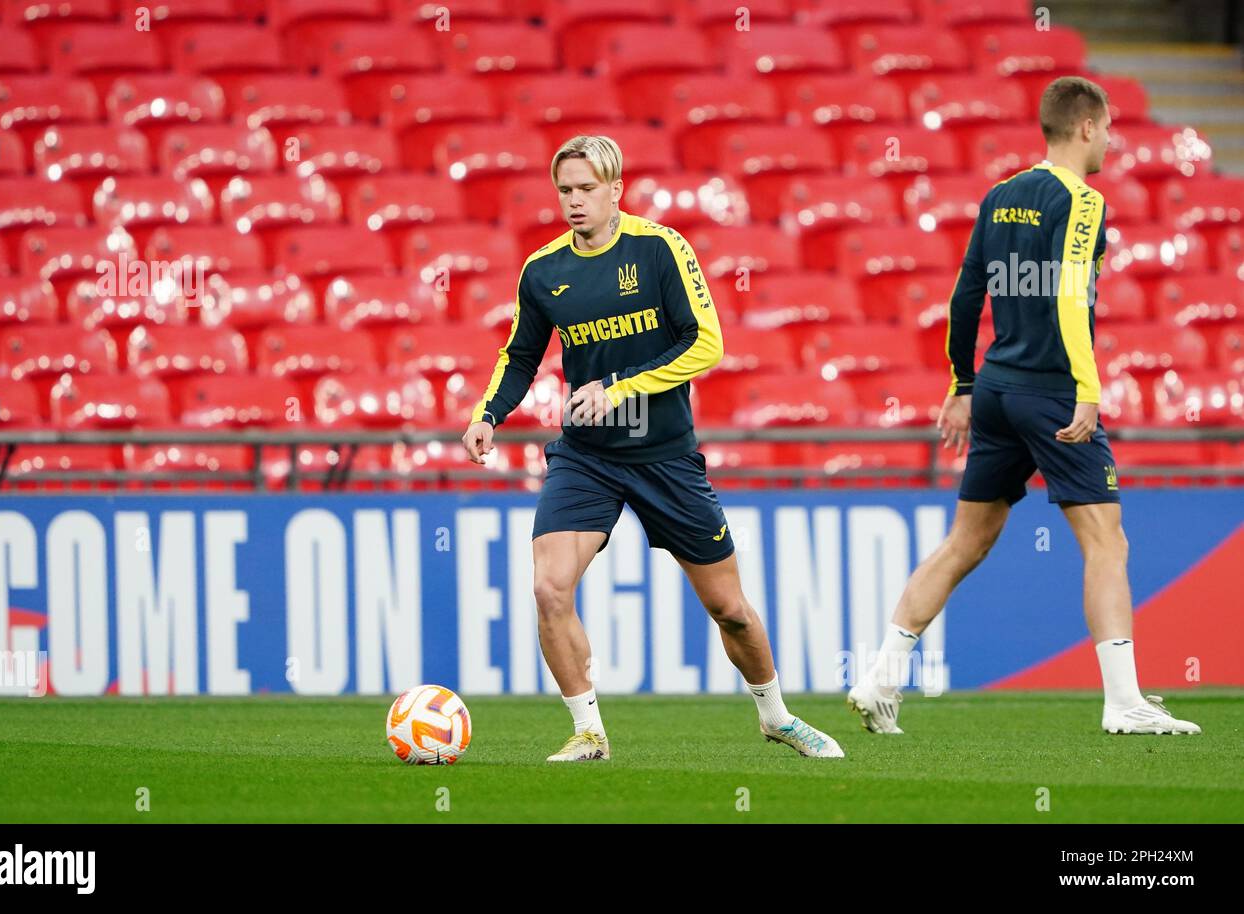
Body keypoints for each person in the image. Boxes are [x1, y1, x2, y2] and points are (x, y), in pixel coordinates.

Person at [462, 134, 844, 761]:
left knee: (731, 610)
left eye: (588, 189)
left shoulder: (661, 249)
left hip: (664, 454)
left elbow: (706, 344)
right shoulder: (543, 271)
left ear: (616, 189)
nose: (575, 201)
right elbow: (521, 355)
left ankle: (775, 716)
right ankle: (589, 733)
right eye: (565, 190)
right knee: (549, 588)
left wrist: (619, 388)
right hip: (585, 456)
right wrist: (488, 415)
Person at [846, 76, 1200, 737]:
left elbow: (962, 297)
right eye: (1109, 128)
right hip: (1051, 390)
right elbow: (1072, 299)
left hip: (998, 389)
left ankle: (881, 677)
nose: (1112, 141)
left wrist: (961, 385)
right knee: (1107, 542)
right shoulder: (1083, 201)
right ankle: (1124, 702)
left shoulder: (999, 195)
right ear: (1087, 128)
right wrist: (1087, 391)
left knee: (965, 541)